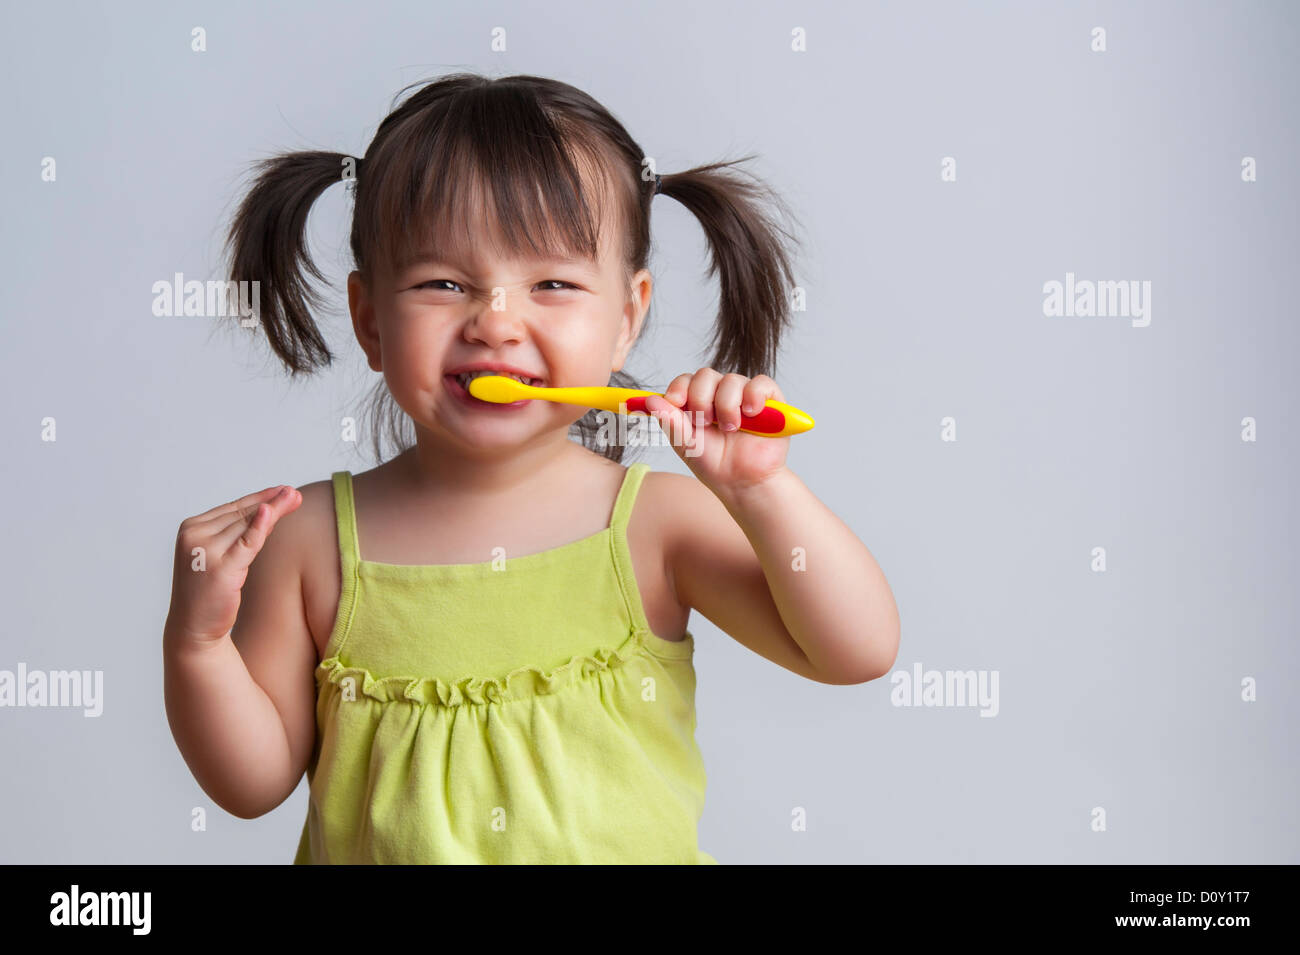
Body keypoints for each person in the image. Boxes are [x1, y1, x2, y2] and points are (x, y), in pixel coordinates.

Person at [162, 72, 900, 864]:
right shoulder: (307, 541)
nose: (496, 321)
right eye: (443, 282)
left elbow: (854, 650)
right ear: (370, 320)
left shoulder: (653, 527)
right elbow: (252, 784)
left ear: (625, 319)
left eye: (552, 283)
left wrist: (761, 490)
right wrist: (197, 645)